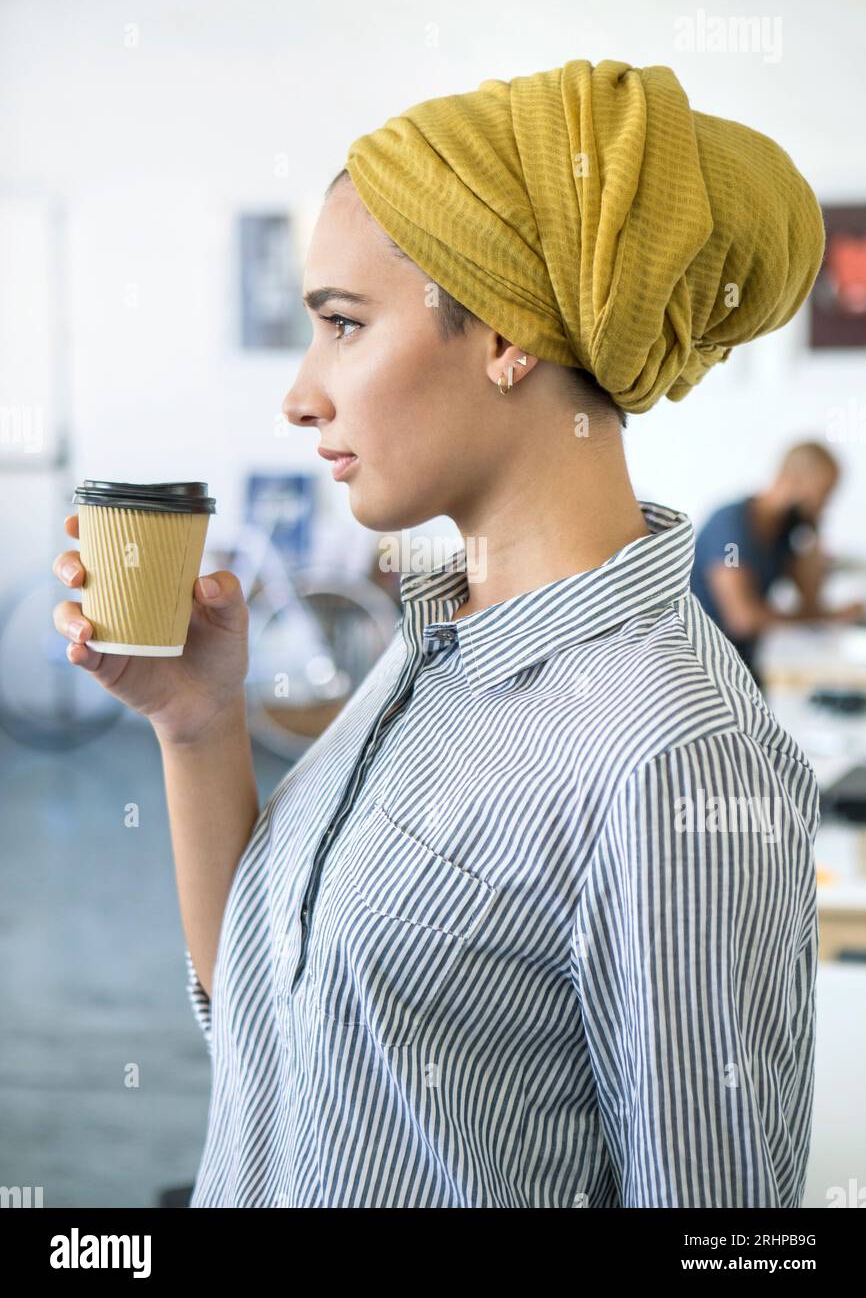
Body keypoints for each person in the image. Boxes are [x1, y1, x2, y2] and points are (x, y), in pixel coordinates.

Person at [52, 58, 827, 1207]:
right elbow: (280, 1035)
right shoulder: (435, 648)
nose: (300, 393)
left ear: (508, 333)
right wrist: (196, 723)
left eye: (342, 326)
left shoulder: (673, 755)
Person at [691, 442, 865, 691]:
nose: (824, 506)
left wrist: (814, 530)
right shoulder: (730, 531)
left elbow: (810, 601)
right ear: (795, 481)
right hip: (704, 671)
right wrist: (830, 617)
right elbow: (742, 619)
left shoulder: (784, 534)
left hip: (743, 667)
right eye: (823, 494)